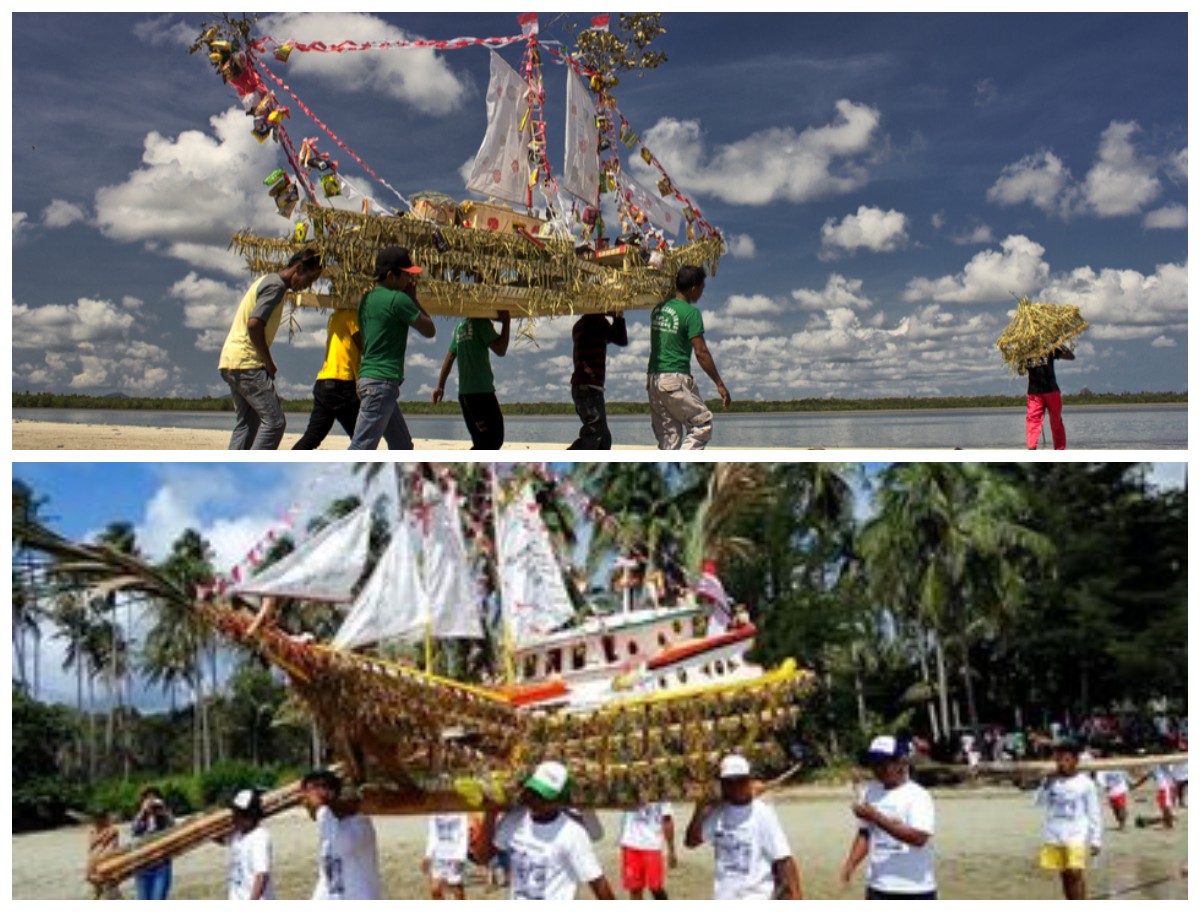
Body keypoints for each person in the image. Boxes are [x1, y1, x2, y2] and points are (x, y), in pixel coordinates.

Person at [218, 247, 324, 450]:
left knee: (248, 424)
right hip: (247, 362)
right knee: (275, 422)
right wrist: (267, 360)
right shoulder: (275, 286)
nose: (307, 286)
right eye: (308, 280)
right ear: (298, 269)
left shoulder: (268, 282)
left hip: (231, 360)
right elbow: (254, 323)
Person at [480, 760, 616, 900]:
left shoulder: (572, 833)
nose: (535, 799)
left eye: (544, 796)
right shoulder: (514, 819)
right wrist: (490, 814)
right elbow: (483, 857)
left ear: (559, 799)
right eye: (533, 791)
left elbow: (599, 884)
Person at [349, 246, 436, 450]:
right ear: (391, 276)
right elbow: (430, 329)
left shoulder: (365, 300)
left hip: (368, 379)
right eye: (406, 275)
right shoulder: (399, 299)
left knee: (402, 446)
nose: (410, 281)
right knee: (361, 448)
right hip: (382, 383)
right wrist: (414, 299)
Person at [684, 753, 803, 900]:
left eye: (739, 781)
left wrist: (797, 897)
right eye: (729, 782)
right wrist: (700, 808)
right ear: (722, 783)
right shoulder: (718, 812)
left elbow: (784, 859)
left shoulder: (762, 813)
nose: (734, 787)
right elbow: (691, 842)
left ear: (748, 780)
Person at [839, 735, 937, 900]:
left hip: (914, 888)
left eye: (884, 762)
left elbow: (919, 838)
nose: (878, 767)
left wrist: (876, 817)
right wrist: (850, 864)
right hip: (878, 886)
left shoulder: (918, 795)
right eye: (874, 762)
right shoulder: (869, 792)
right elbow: (865, 833)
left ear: (901, 762)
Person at [645, 265, 731, 450]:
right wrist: (719, 383)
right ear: (694, 288)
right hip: (674, 378)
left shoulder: (658, 310)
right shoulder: (691, 314)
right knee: (702, 425)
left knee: (669, 439)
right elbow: (701, 352)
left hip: (653, 379)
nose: (701, 293)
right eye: (701, 288)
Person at [1035, 739, 1103, 900]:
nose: (1061, 764)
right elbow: (1038, 803)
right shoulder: (1050, 781)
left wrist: (1096, 839)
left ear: (1075, 761)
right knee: (1065, 874)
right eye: (1058, 760)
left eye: (1066, 760)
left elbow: (1094, 812)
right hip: (1055, 832)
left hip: (1076, 832)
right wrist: (1046, 784)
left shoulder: (1086, 783)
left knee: (1075, 871)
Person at [433, 312, 511, 449]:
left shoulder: (460, 327)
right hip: (481, 394)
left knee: (482, 442)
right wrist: (506, 323)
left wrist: (440, 387)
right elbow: (500, 349)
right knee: (493, 441)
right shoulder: (480, 322)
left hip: (465, 396)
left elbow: (450, 357)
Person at [301, 769, 383, 900]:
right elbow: (329, 880)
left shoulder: (360, 824)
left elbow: (342, 845)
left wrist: (322, 809)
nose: (308, 807)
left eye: (310, 803)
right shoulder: (330, 826)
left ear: (331, 795)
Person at [292, 308, 363, 449]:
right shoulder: (352, 315)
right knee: (361, 437)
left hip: (324, 382)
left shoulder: (334, 316)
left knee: (313, 436)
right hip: (341, 384)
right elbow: (365, 346)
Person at [568, 311, 627, 449]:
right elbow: (621, 340)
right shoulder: (598, 323)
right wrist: (617, 317)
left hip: (584, 387)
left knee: (603, 438)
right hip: (589, 388)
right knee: (594, 435)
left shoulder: (579, 325)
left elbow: (610, 338)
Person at [618, 802, 676, 900]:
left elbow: (667, 821)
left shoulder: (662, 795)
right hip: (631, 843)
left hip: (652, 846)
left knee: (655, 887)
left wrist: (671, 850)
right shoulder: (631, 790)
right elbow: (622, 806)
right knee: (634, 888)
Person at [227, 789, 274, 900]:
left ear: (251, 815)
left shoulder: (259, 837)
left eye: (239, 813)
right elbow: (220, 839)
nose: (234, 817)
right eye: (235, 812)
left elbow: (261, 876)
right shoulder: (238, 835)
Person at [1024, 346, 1075, 450]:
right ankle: (1031, 448)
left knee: (1056, 421)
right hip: (1035, 393)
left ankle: (1059, 450)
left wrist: (1061, 346)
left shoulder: (1049, 349)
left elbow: (1071, 357)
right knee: (1033, 420)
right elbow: (1021, 372)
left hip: (1051, 390)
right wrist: (1021, 363)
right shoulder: (1025, 352)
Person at [131, 786, 175, 900]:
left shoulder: (164, 815)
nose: (152, 803)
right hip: (142, 865)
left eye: (154, 799)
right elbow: (134, 831)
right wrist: (143, 812)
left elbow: (174, 829)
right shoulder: (140, 816)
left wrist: (163, 810)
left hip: (161, 864)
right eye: (148, 799)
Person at [424, 813, 470, 900]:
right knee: (435, 889)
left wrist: (460, 857)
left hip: (455, 855)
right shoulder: (434, 810)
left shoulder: (461, 811)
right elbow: (432, 833)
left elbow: (464, 834)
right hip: (438, 855)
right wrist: (428, 854)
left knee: (456, 891)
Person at [86, 811, 122, 899]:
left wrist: (103, 833)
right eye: (95, 820)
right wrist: (103, 833)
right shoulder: (92, 829)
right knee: (97, 888)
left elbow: (107, 845)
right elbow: (92, 843)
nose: (96, 822)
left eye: (98, 819)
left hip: (108, 861)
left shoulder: (113, 829)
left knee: (111, 889)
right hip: (95, 861)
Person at [1131, 764, 1177, 830]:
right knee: (1163, 806)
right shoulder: (1153, 765)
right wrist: (1135, 785)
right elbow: (1146, 776)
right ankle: (1167, 821)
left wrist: (1135, 785)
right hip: (1163, 787)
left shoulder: (1165, 764)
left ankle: (1169, 825)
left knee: (1165, 806)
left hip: (1166, 786)